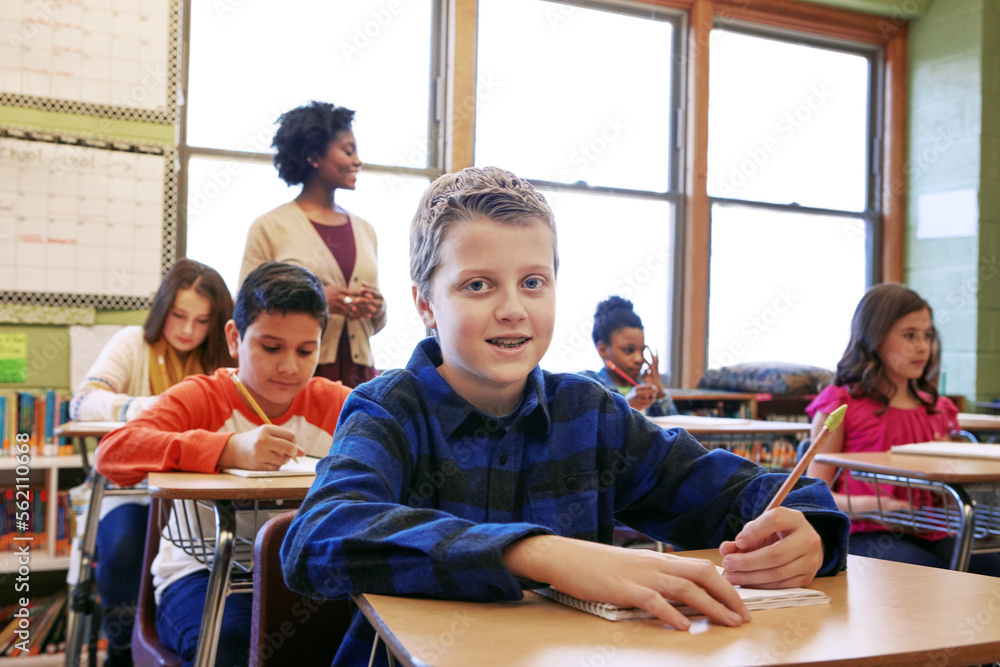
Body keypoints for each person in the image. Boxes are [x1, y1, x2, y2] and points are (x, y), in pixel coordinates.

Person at [281, 166, 850, 667]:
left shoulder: (592, 414)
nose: (512, 308)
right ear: (426, 304)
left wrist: (809, 533)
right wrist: (541, 554)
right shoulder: (390, 409)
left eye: (534, 282)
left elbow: (741, 493)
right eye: (477, 285)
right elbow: (318, 536)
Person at [96, 261, 352, 667]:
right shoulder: (202, 396)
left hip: (295, 571)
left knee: (350, 635)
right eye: (270, 347)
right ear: (234, 338)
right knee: (230, 645)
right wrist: (226, 449)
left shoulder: (336, 402)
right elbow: (114, 453)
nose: (289, 366)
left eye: (306, 350)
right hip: (199, 575)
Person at [70, 258, 234, 667]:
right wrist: (151, 409)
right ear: (162, 307)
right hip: (129, 489)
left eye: (201, 321)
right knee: (126, 543)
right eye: (179, 315)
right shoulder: (132, 343)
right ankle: (123, 647)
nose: (186, 330)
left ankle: (171, 637)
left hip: (193, 498)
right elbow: (83, 401)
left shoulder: (219, 360)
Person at [806, 282, 1000, 575]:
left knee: (988, 568)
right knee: (931, 576)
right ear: (875, 338)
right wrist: (877, 503)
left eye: (928, 335)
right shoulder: (841, 405)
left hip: (933, 530)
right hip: (864, 532)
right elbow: (814, 493)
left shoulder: (938, 409)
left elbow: (947, 495)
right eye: (910, 336)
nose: (923, 346)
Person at [239, 100, 386, 388]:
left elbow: (375, 323)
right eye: (348, 150)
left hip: (359, 374)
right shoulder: (270, 227)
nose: (358, 160)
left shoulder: (365, 229)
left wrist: (376, 308)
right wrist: (317, 299)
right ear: (314, 155)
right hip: (297, 375)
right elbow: (245, 309)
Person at [579, 295, 678, 416]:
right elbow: (585, 427)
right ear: (602, 350)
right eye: (629, 350)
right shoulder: (587, 384)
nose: (639, 359)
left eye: (642, 350)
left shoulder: (645, 391)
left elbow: (674, 429)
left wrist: (660, 395)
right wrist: (626, 405)